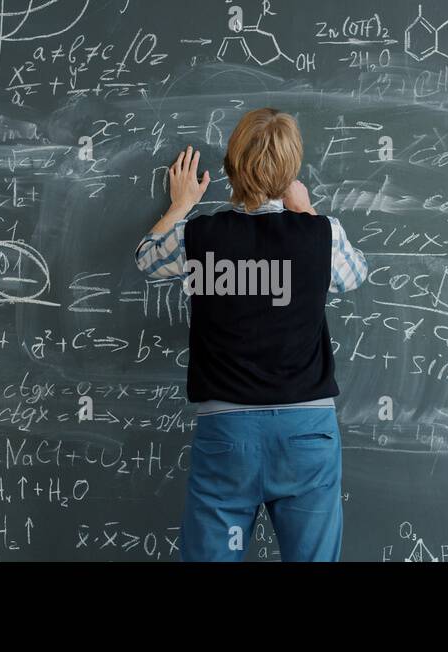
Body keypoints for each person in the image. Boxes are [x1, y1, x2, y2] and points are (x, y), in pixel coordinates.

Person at [133, 108, 368, 561]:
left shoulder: (199, 236)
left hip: (227, 430)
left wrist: (180, 204)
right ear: (292, 170)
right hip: (306, 432)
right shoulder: (321, 234)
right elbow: (353, 275)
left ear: (231, 167)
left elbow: (146, 258)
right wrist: (307, 211)